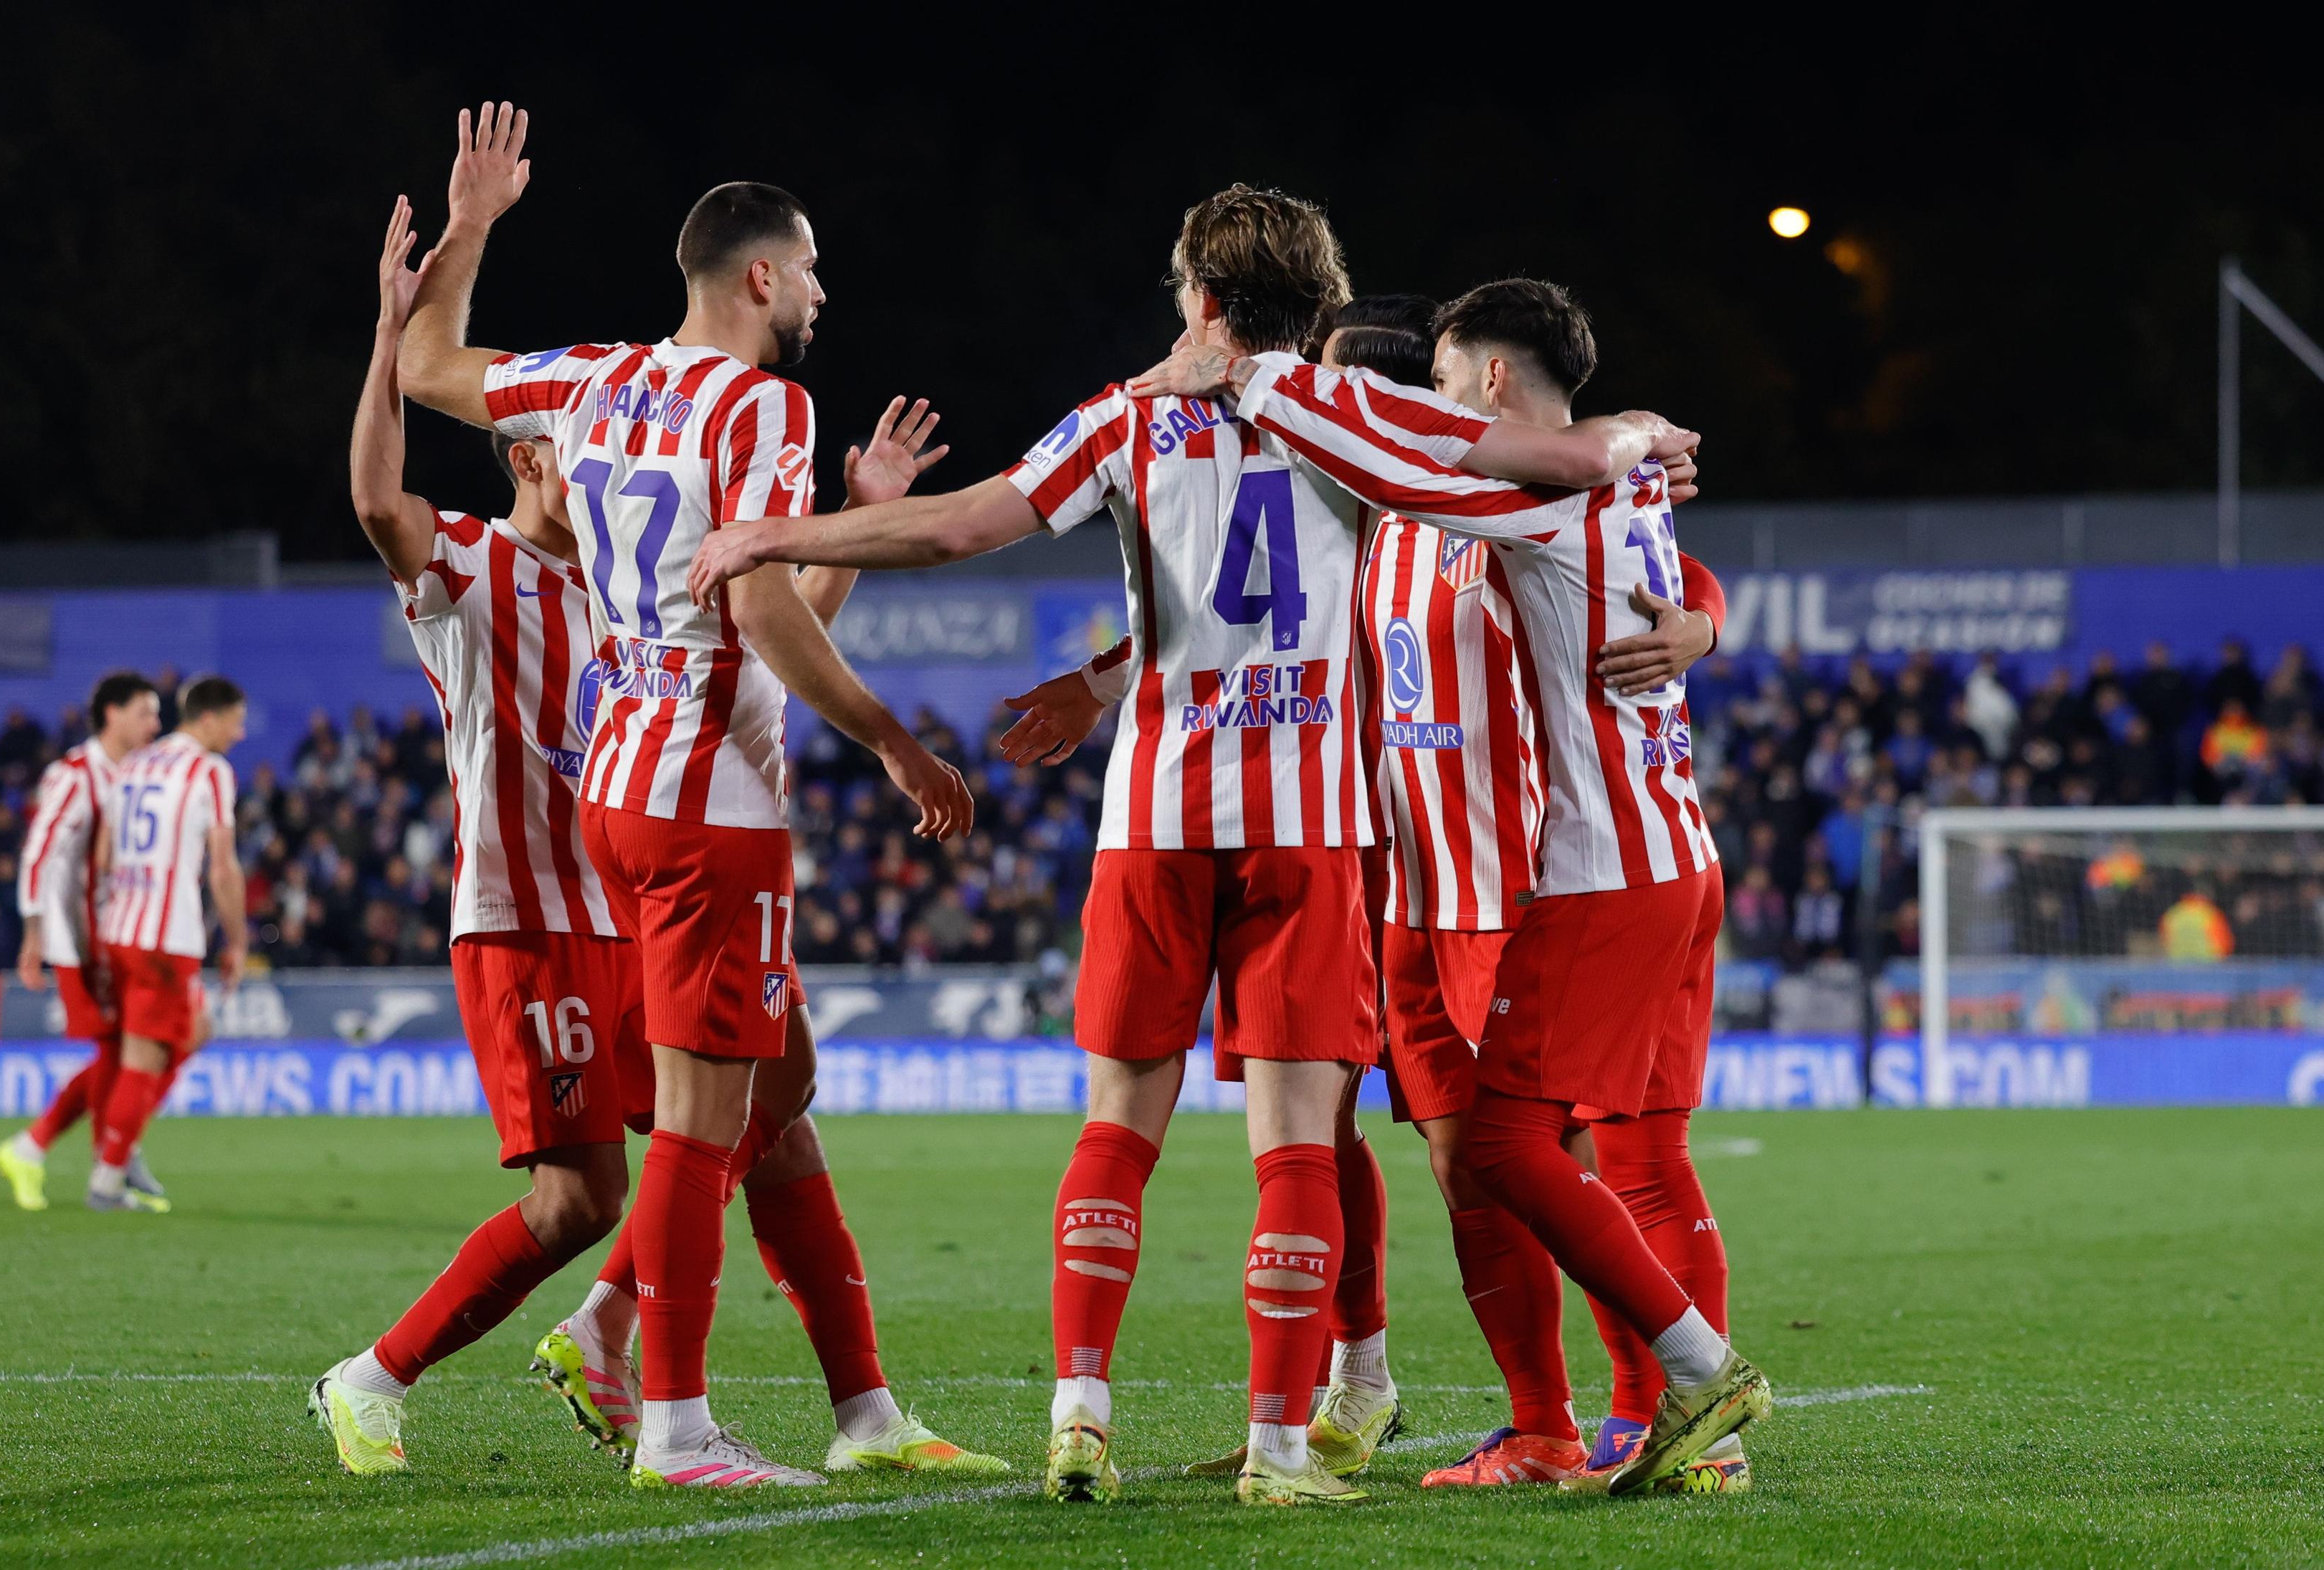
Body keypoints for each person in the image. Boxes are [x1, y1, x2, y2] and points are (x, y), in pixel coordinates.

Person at [687, 190, 1745, 1503]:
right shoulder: (1361, 431)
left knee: (1159, 1121)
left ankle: (1097, 1409)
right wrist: (1635, 443)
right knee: (1331, 1141)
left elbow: (966, 524)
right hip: (1339, 843)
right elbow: (1576, 483)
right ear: (1318, 312)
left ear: (1197, 300)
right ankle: (1334, 1430)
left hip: (1225, 829)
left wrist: (776, 535)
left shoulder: (1146, 415)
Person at [312, 184, 996, 1483]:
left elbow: (425, 362)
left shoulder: (594, 383)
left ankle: (861, 1414)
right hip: (706, 804)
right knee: (696, 1126)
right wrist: (894, 742)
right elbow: (762, 616)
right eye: (807, 272)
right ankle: (664, 1411)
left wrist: (466, 237)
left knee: (774, 1098)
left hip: (627, 796)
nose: (818, 296)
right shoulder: (763, 407)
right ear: (755, 280)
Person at [1118, 275, 1776, 1498]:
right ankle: (1544, 1423)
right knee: (1466, 1168)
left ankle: (1675, 1411)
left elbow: (1625, 546)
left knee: (1612, 1150)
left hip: (1528, 884)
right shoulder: (1357, 516)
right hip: (1409, 894)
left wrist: (1700, 611)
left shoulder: (1475, 494)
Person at [0, 671, 162, 1211]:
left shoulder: (137, 773)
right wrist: (33, 933)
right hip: (77, 938)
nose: (154, 725)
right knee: (120, 1045)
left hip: (118, 935)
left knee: (121, 1046)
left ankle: (96, 1160)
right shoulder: (74, 775)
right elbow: (38, 852)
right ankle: (74, 1154)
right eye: (144, 712)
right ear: (112, 714)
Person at [88, 674, 248, 1211]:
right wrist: (239, 942)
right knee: (143, 1058)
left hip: (122, 928)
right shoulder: (210, 770)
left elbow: (105, 855)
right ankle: (109, 1178)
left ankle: (121, 1142)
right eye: (235, 722)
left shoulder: (134, 763)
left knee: (194, 1029)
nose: (240, 734)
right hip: (165, 936)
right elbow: (223, 870)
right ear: (208, 719)